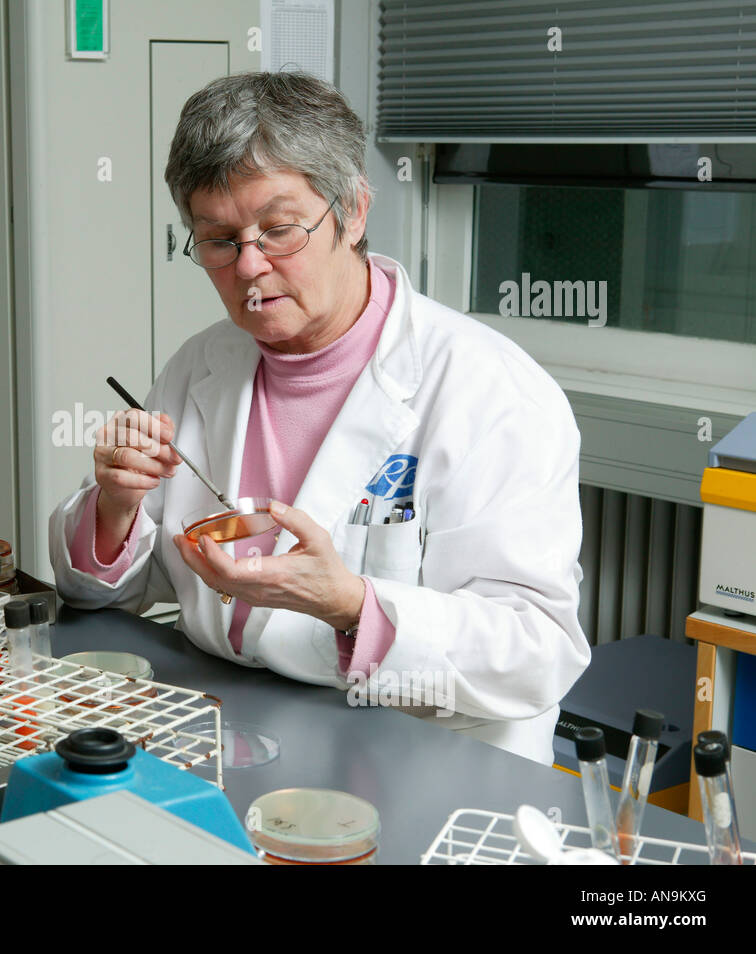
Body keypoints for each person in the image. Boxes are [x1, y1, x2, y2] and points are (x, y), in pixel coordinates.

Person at [48, 72, 589, 765]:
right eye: (218, 241)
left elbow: (536, 651)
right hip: (235, 725)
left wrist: (353, 605)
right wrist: (117, 506)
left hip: (423, 754)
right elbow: (101, 590)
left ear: (354, 211)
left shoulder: (492, 393)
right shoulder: (202, 366)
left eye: (278, 230)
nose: (250, 268)